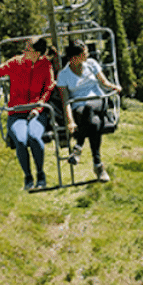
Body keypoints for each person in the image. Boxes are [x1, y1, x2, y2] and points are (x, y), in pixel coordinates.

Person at [0, 37, 55, 192]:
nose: (24, 51)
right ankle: (28, 177)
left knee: (35, 137)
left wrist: (39, 107)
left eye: (28, 49)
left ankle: (41, 174)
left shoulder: (45, 65)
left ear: (37, 53)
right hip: (17, 113)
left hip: (37, 112)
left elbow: (49, 88)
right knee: (21, 140)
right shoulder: (15, 63)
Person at [57, 41, 121, 183]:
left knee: (89, 108)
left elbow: (103, 82)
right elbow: (66, 101)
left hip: (98, 100)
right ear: (75, 57)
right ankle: (98, 165)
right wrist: (70, 120)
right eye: (84, 54)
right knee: (94, 123)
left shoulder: (91, 64)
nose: (87, 56)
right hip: (78, 106)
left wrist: (114, 87)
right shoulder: (63, 75)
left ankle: (78, 147)